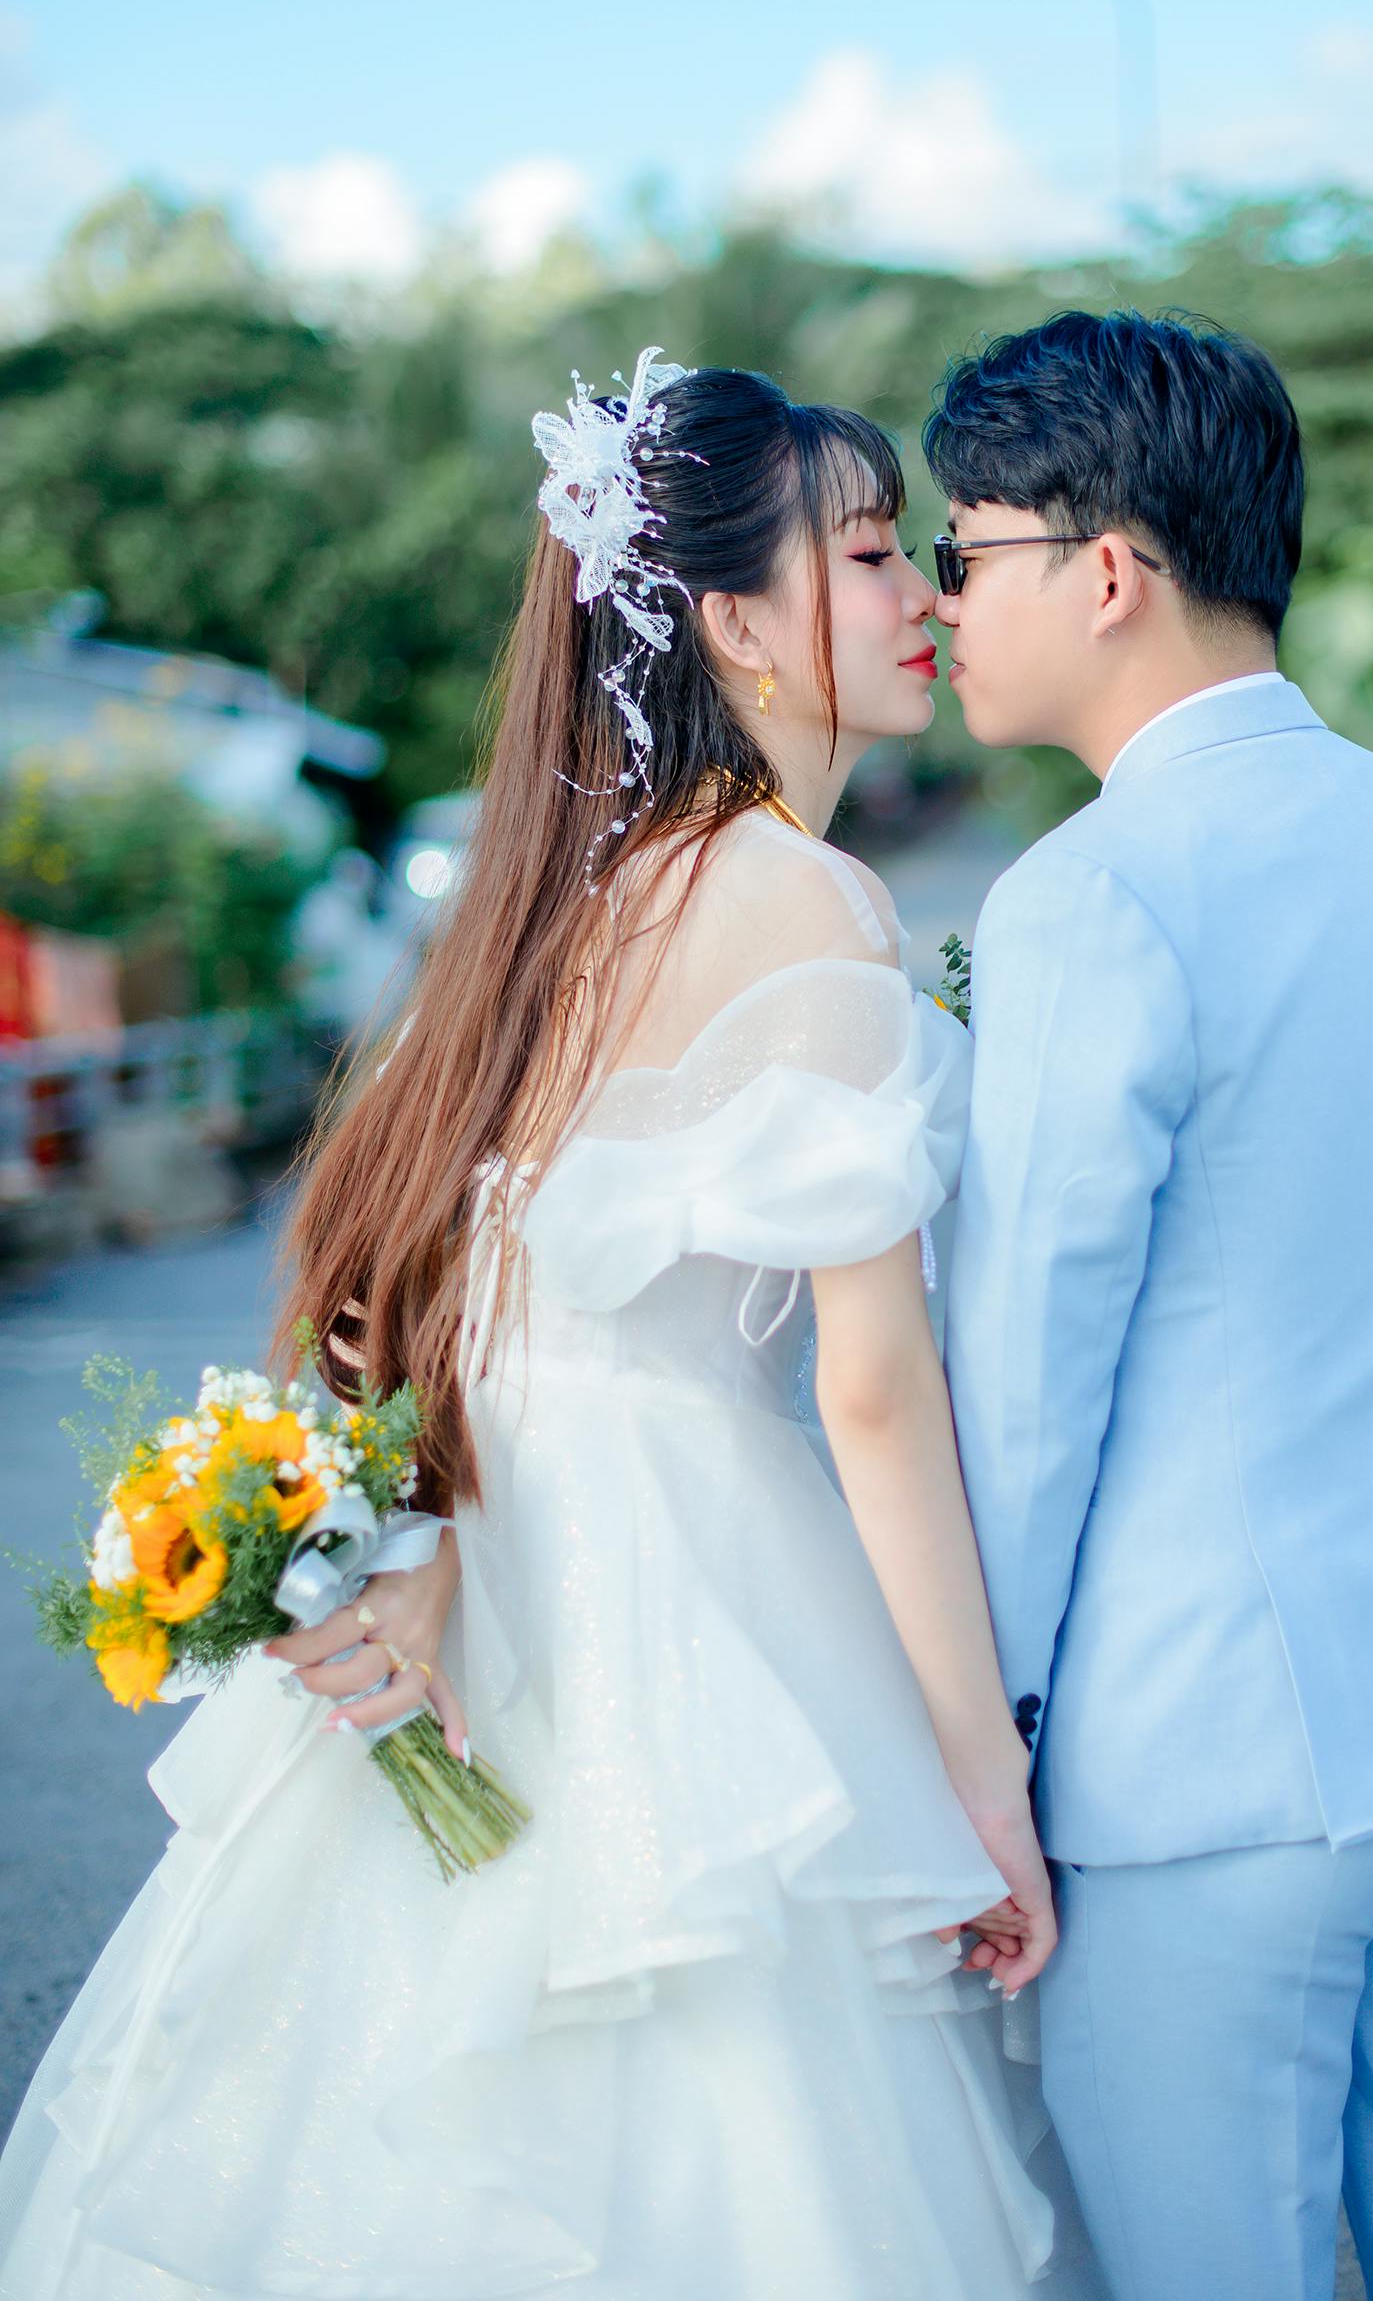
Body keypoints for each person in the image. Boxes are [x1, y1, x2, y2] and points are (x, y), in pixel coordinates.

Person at [0, 357, 1102, 2299]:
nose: (922, 590)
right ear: (734, 621)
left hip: (493, 1550)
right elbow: (870, 1383)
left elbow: (398, 1290)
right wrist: (978, 1771)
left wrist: (396, 1528)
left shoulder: (549, 904)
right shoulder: (808, 903)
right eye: (867, 552)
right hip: (680, 1580)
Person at [928, 308, 1373, 2301]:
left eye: (970, 552)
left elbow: (1029, 1389)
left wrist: (993, 1738)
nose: (950, 603)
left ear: (1109, 571)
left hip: (1203, 1747)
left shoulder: (1092, 895)